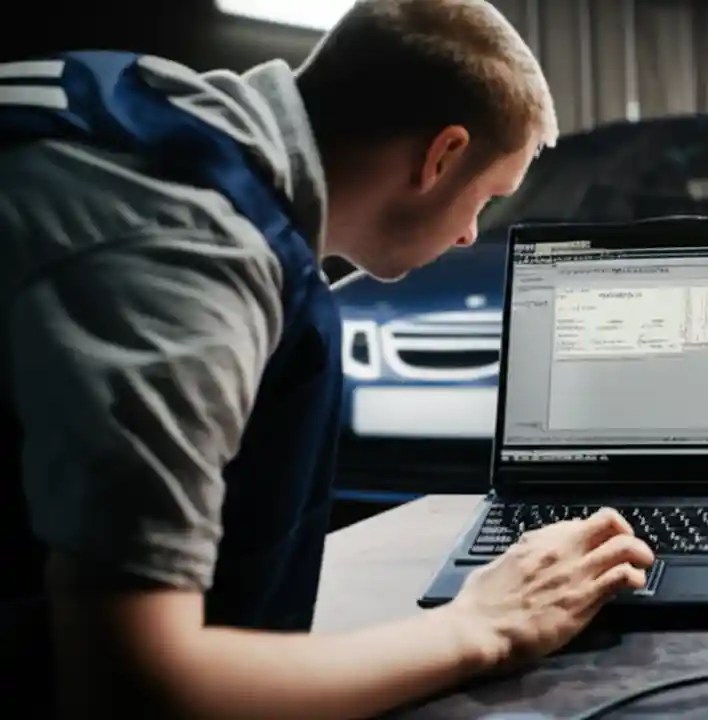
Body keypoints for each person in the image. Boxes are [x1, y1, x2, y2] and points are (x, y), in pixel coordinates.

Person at [0, 0, 654, 717]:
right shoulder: (190, 254)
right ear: (441, 157)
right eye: (488, 196)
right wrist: (483, 627)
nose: (472, 233)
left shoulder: (143, 113)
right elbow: (132, 688)